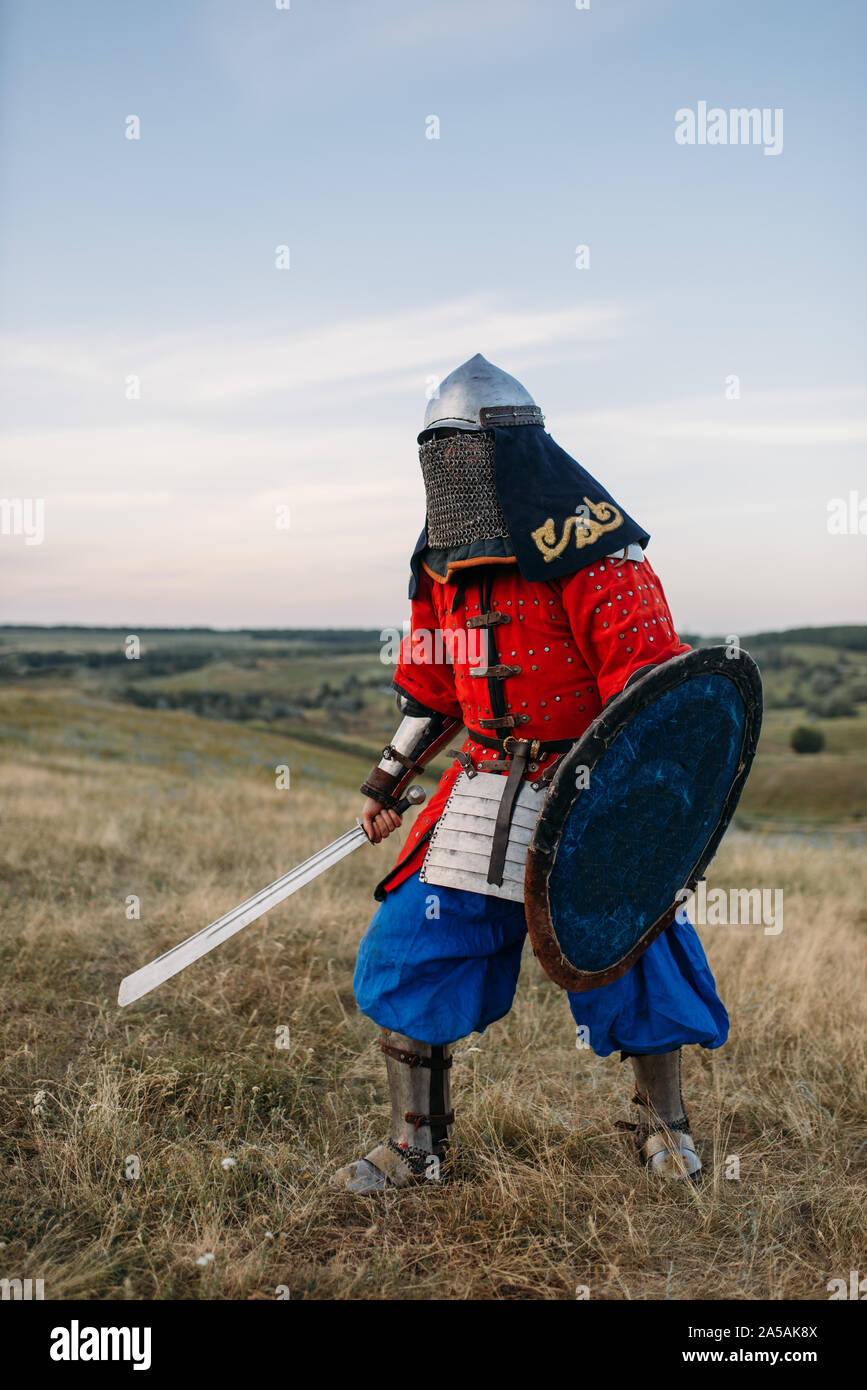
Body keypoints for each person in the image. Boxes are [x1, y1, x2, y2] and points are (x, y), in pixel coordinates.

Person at [332, 355, 727, 1193]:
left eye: (457, 452)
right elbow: (436, 685)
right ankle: (417, 1146)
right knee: (411, 950)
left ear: (504, 452)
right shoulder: (440, 564)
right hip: (477, 793)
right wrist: (387, 782)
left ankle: (664, 1131)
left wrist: (652, 821)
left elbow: (651, 695)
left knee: (635, 951)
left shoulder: (598, 552)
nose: (446, 474)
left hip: (589, 796)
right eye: (434, 454)